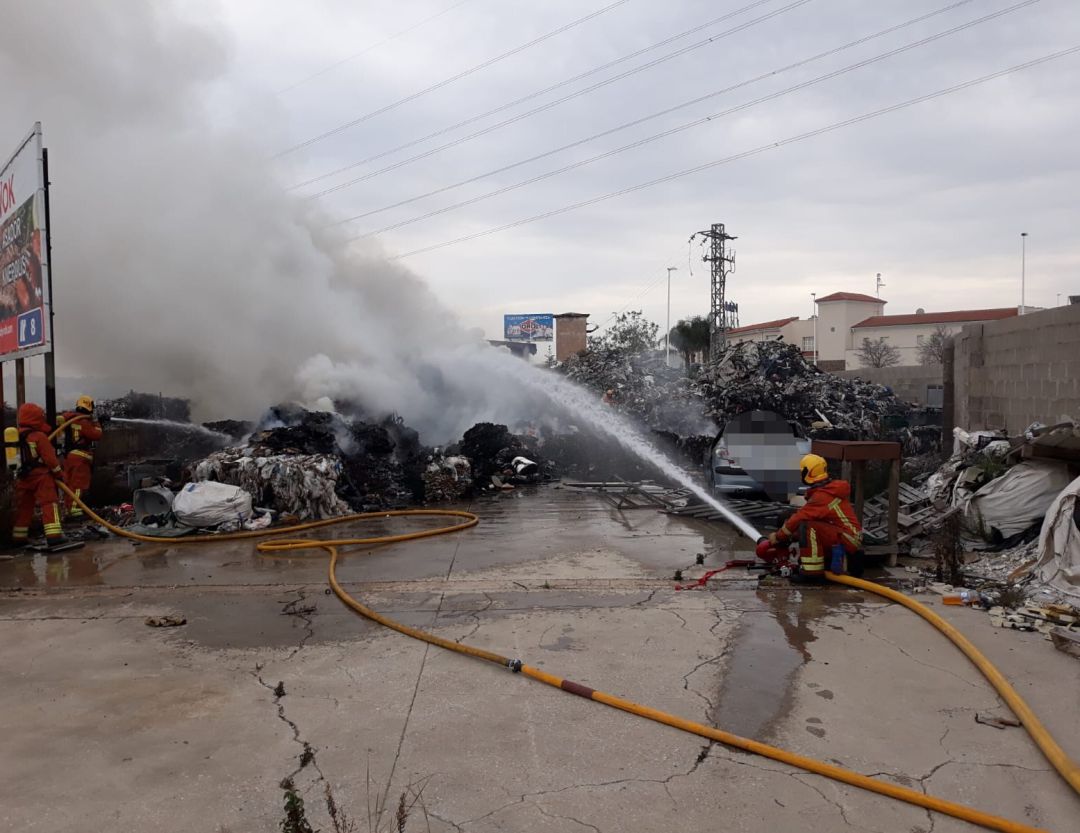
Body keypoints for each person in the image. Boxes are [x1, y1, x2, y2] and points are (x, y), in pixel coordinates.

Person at [756, 453, 862, 582]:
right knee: (792, 518)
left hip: (848, 538)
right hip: (842, 535)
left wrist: (778, 537)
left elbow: (801, 518)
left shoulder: (823, 496)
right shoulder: (825, 490)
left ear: (808, 473)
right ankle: (798, 560)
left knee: (807, 525)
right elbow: (805, 515)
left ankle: (812, 573)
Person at [12, 402, 69, 550]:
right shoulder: (39, 436)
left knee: (23, 507)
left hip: (22, 477)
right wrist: (59, 474)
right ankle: (54, 536)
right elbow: (51, 460)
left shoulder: (15, 436)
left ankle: (19, 536)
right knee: (49, 503)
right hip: (41, 477)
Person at [59, 395, 104, 520]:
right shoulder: (83, 421)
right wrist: (97, 422)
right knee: (78, 485)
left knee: (70, 484)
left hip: (69, 456)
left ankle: (69, 509)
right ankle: (74, 511)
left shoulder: (71, 418)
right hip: (80, 456)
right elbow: (96, 435)